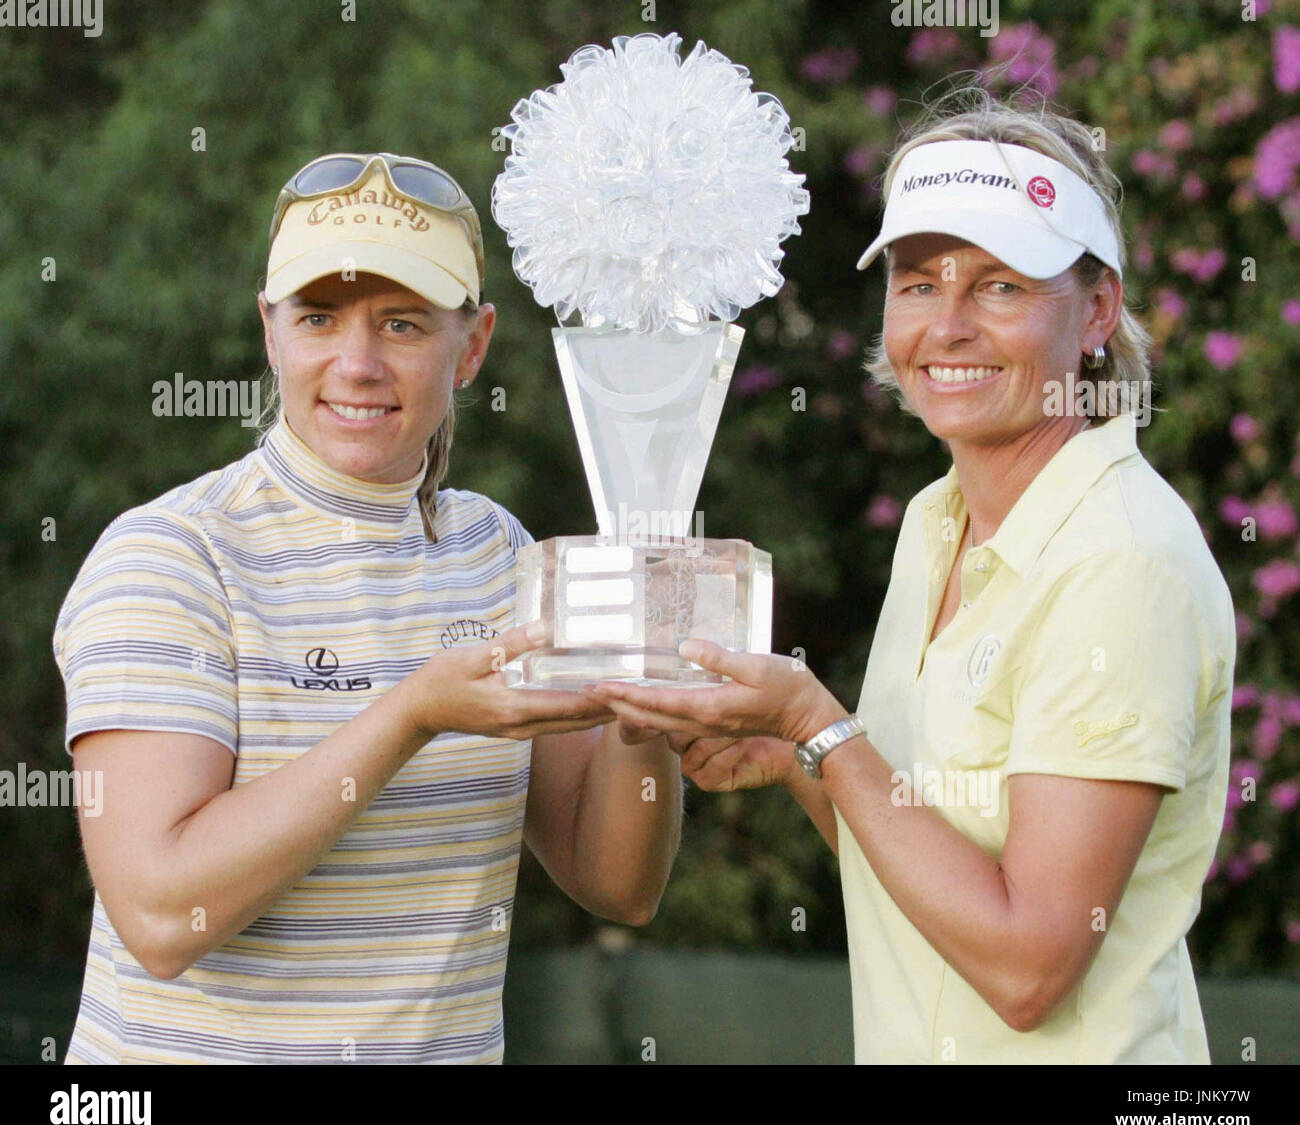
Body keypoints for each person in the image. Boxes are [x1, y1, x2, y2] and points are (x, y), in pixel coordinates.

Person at [591, 92, 1235, 1064]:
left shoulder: (1120, 563)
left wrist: (818, 726)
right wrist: (801, 757)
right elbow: (927, 878)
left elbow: (1026, 965)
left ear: (1097, 309)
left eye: (1001, 286)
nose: (949, 324)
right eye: (919, 281)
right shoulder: (937, 523)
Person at [53, 151, 682, 1064]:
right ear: (270, 334)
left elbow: (617, 885)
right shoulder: (173, 555)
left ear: (472, 348)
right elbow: (159, 912)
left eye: (401, 323)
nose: (357, 364)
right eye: (318, 317)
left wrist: (648, 698)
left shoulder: (497, 552)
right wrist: (412, 713)